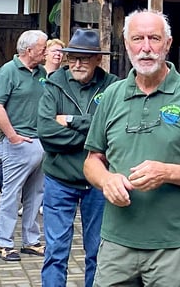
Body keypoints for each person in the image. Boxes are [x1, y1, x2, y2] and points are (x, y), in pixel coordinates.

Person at [84, 10, 180, 287]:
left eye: (154, 38)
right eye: (138, 39)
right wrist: (107, 179)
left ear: (168, 44)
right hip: (118, 240)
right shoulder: (112, 96)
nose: (146, 48)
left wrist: (167, 172)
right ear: (127, 44)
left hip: (173, 245)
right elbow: (92, 160)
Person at [37, 29, 119, 287]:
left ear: (98, 60)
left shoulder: (113, 87)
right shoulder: (53, 85)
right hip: (59, 181)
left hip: (98, 183)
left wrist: (71, 121)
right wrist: (93, 135)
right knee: (55, 252)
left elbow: (114, 131)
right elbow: (47, 134)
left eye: (84, 58)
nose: (77, 64)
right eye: (72, 58)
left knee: (97, 251)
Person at [0, 29, 48, 262]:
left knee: (36, 194)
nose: (45, 52)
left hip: (41, 143)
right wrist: (13, 137)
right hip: (19, 144)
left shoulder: (42, 72)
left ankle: (31, 241)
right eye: (43, 48)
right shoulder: (8, 72)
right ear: (28, 50)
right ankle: (4, 244)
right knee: (11, 196)